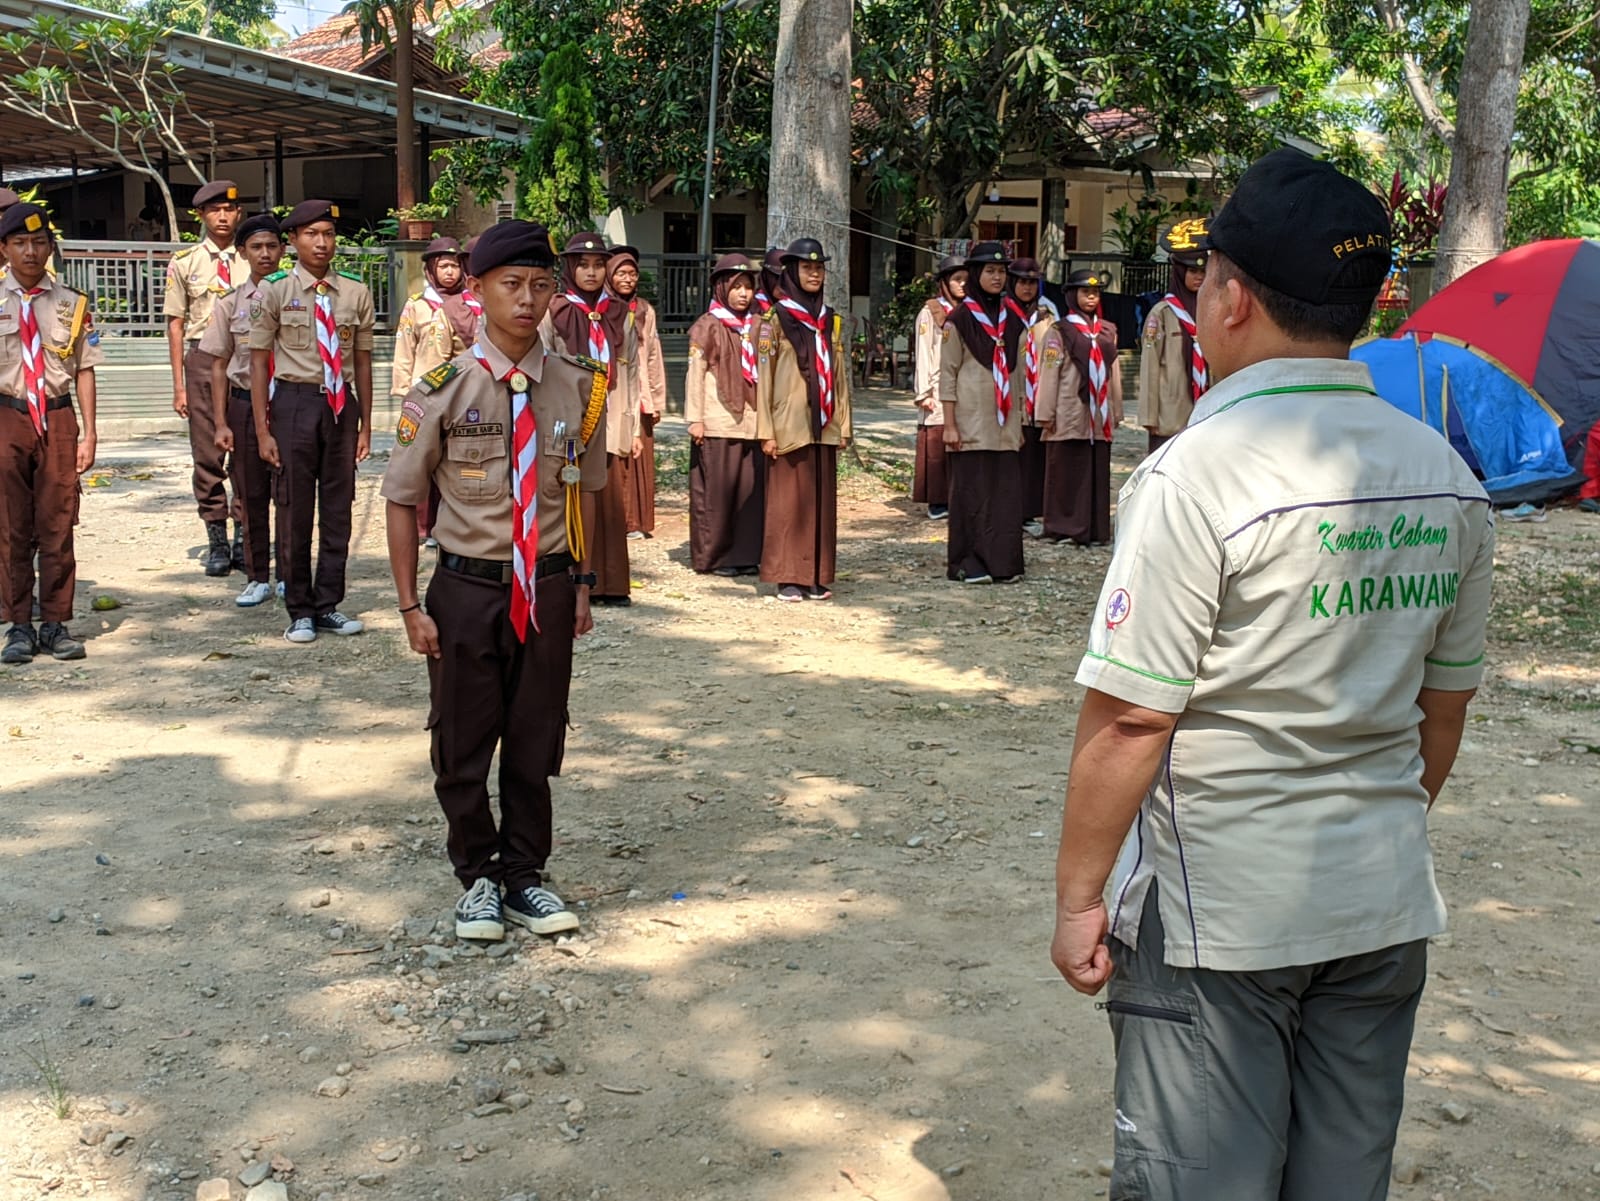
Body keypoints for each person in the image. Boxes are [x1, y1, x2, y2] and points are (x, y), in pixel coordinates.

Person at [1050, 148, 1496, 1201]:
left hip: (1222, 917)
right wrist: (1373, 818)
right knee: (1342, 1179)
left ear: (1232, 296)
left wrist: (1078, 900)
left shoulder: (1196, 476)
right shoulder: (1446, 476)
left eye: (1202, 277)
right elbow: (1444, 708)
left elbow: (1128, 722)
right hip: (1379, 899)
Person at [380, 219, 608, 941]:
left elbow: (584, 492)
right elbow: (400, 496)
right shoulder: (441, 388)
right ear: (476, 291)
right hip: (465, 590)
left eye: (541, 285)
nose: (527, 299)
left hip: (544, 584)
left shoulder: (579, 387)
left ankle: (524, 876)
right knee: (462, 739)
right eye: (511, 284)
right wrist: (410, 604)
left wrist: (581, 584)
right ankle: (477, 874)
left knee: (536, 736)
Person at [249, 199, 375, 644]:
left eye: (328, 234)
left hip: (340, 406)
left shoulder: (355, 292)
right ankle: (299, 608)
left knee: (339, 508)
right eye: (311, 235)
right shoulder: (275, 290)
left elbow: (362, 360)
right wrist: (263, 430)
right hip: (294, 403)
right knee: (295, 508)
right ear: (293, 241)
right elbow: (259, 359)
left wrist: (366, 423)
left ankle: (328, 604)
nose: (322, 243)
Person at [0, 203, 101, 665]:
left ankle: (56, 623)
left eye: (39, 242)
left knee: (58, 522)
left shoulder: (72, 303)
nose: (30, 251)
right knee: (10, 526)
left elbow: (84, 371)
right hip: (7, 416)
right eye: (20, 242)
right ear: (4, 249)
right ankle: (18, 625)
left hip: (57, 417)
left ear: (50, 247)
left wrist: (90, 432)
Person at [756, 237, 852, 601]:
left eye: (819, 267)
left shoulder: (831, 320)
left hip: (824, 423)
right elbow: (764, 377)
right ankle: (788, 576)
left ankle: (816, 573)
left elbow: (840, 375)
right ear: (791, 273)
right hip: (788, 425)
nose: (814, 273)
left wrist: (843, 423)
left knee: (820, 501)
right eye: (806, 268)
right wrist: (766, 430)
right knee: (788, 502)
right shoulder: (775, 319)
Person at [204, 212, 285, 609]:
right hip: (240, 404)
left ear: (283, 250)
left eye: (272, 246)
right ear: (242, 253)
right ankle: (257, 575)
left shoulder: (296, 297)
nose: (265, 254)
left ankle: (288, 572)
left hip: (286, 403)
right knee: (250, 493)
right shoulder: (230, 304)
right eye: (256, 247)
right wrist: (220, 422)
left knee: (288, 493)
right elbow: (218, 364)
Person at [163, 179, 243, 576]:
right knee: (208, 453)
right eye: (215, 210)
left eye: (229, 209)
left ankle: (246, 535)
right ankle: (217, 540)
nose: (223, 216)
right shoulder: (186, 262)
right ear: (201, 216)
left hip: (247, 362)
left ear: (239, 213)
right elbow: (176, 325)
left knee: (247, 449)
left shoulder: (255, 257)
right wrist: (179, 383)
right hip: (201, 359)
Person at [548, 232, 633, 604]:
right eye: (583, 265)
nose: (592, 272)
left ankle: (609, 582)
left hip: (610, 414)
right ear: (569, 268)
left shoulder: (619, 313)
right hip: (566, 418)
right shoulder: (555, 311)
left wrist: (632, 418)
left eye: (599, 265)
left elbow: (629, 369)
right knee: (566, 495)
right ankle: (567, 580)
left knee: (608, 499)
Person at [938, 241, 1027, 584]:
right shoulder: (959, 320)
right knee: (972, 494)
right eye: (989, 271)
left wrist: (1019, 420)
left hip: (1004, 424)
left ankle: (1003, 563)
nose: (996, 277)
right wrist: (949, 424)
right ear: (976, 274)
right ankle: (968, 563)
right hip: (970, 422)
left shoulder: (1013, 321)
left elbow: (1017, 375)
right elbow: (947, 374)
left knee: (1004, 496)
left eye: (1001, 271)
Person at [685, 253, 765, 575]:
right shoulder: (708, 326)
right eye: (736, 287)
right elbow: (695, 373)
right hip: (718, 420)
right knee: (718, 494)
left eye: (748, 287)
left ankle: (745, 555)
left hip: (753, 421)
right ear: (721, 288)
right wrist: (696, 419)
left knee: (749, 492)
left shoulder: (760, 326)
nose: (743, 294)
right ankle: (715, 557)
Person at [393, 237, 474, 546]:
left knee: (456, 461)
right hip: (425, 394)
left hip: (462, 393)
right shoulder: (418, 305)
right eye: (443, 266)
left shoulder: (470, 305)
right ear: (430, 269)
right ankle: (424, 527)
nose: (450, 272)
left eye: (455, 265)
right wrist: (404, 393)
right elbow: (404, 350)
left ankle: (452, 524)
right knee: (423, 461)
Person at [1039, 269, 1122, 546]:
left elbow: (1115, 372)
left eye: (1095, 292)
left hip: (1099, 414)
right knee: (1066, 469)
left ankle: (1095, 529)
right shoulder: (1059, 330)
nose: (1091, 297)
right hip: (1069, 410)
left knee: (1096, 469)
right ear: (1072, 295)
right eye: (1085, 292)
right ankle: (1064, 527)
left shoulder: (1108, 330)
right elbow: (1049, 372)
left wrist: (1116, 409)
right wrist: (1045, 412)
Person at [606, 246, 668, 540]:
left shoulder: (644, 309)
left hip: (641, 391)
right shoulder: (603, 308)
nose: (628, 279)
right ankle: (619, 519)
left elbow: (653, 355)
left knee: (640, 459)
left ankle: (638, 521)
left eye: (632, 274)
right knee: (616, 459)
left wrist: (656, 398)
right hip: (615, 390)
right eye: (621, 273)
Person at [1139, 218, 1211, 454]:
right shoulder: (1162, 313)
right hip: (1170, 413)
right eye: (1192, 271)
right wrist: (1149, 415)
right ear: (1179, 272)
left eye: (1203, 271)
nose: (1198, 277)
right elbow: (1150, 366)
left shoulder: (1212, 312)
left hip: (1206, 409)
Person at [911, 255, 965, 520]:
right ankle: (937, 499)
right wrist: (923, 392)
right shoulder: (931, 311)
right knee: (935, 443)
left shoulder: (971, 311)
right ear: (944, 282)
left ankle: (957, 495)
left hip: (961, 387)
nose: (962, 285)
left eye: (966, 279)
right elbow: (923, 351)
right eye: (957, 279)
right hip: (935, 383)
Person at [1008, 257, 1053, 536]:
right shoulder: (1003, 313)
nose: (1027, 288)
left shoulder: (1046, 314)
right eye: (1022, 282)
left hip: (1039, 394)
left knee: (1036, 455)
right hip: (1012, 394)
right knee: (1014, 454)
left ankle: (1033, 509)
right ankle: (1013, 509)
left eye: (1031, 283)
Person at [755, 247, 784, 315]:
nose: (782, 285)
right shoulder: (753, 304)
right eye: (777, 278)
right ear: (765, 277)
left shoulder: (795, 306)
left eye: (787, 279)